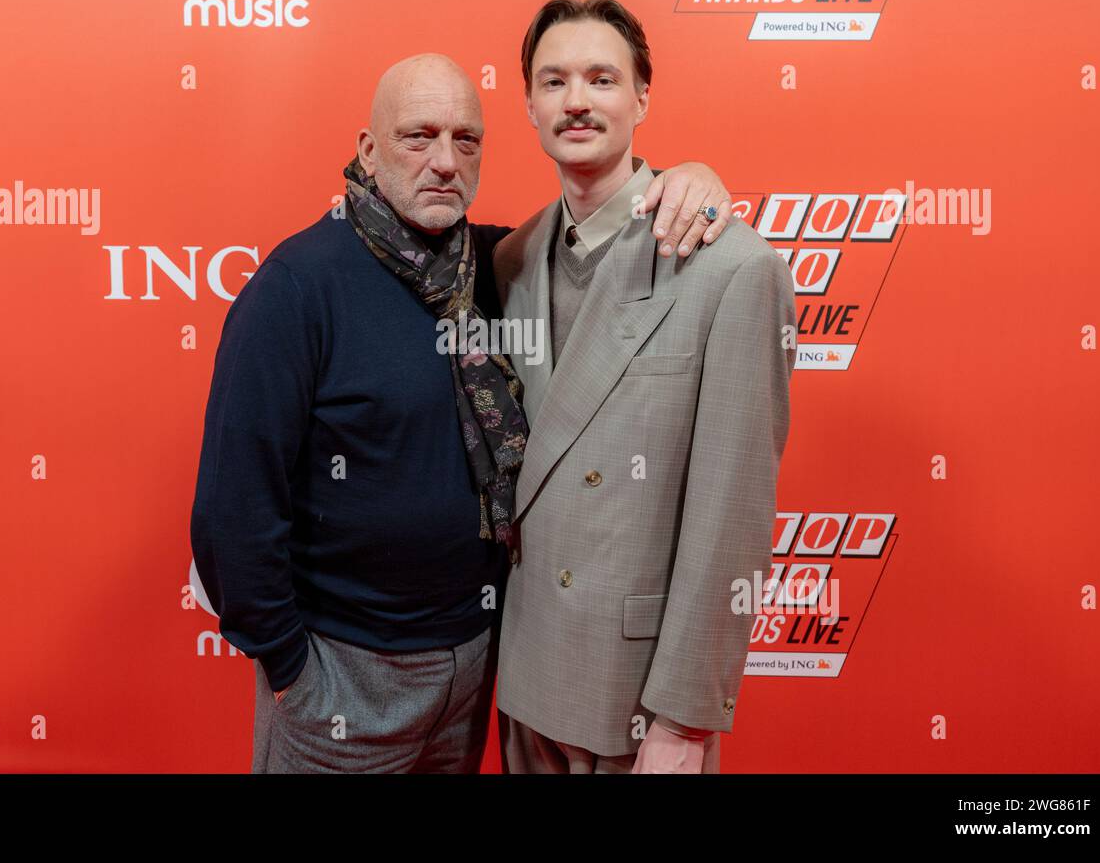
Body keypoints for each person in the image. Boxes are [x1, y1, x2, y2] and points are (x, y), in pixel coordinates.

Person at [188, 50, 734, 773]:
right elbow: (233, 509)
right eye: (419, 136)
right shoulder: (297, 288)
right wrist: (296, 671)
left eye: (465, 139)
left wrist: (690, 179)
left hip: (477, 667)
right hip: (342, 674)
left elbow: (603, 241)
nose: (445, 161)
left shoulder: (497, 269)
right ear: (367, 149)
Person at [493, 0, 798, 774]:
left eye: (602, 78)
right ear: (528, 103)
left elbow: (733, 513)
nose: (578, 101)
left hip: (635, 700)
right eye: (554, 81)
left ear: (642, 97)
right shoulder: (510, 261)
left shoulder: (731, 266)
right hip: (526, 677)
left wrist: (686, 722)